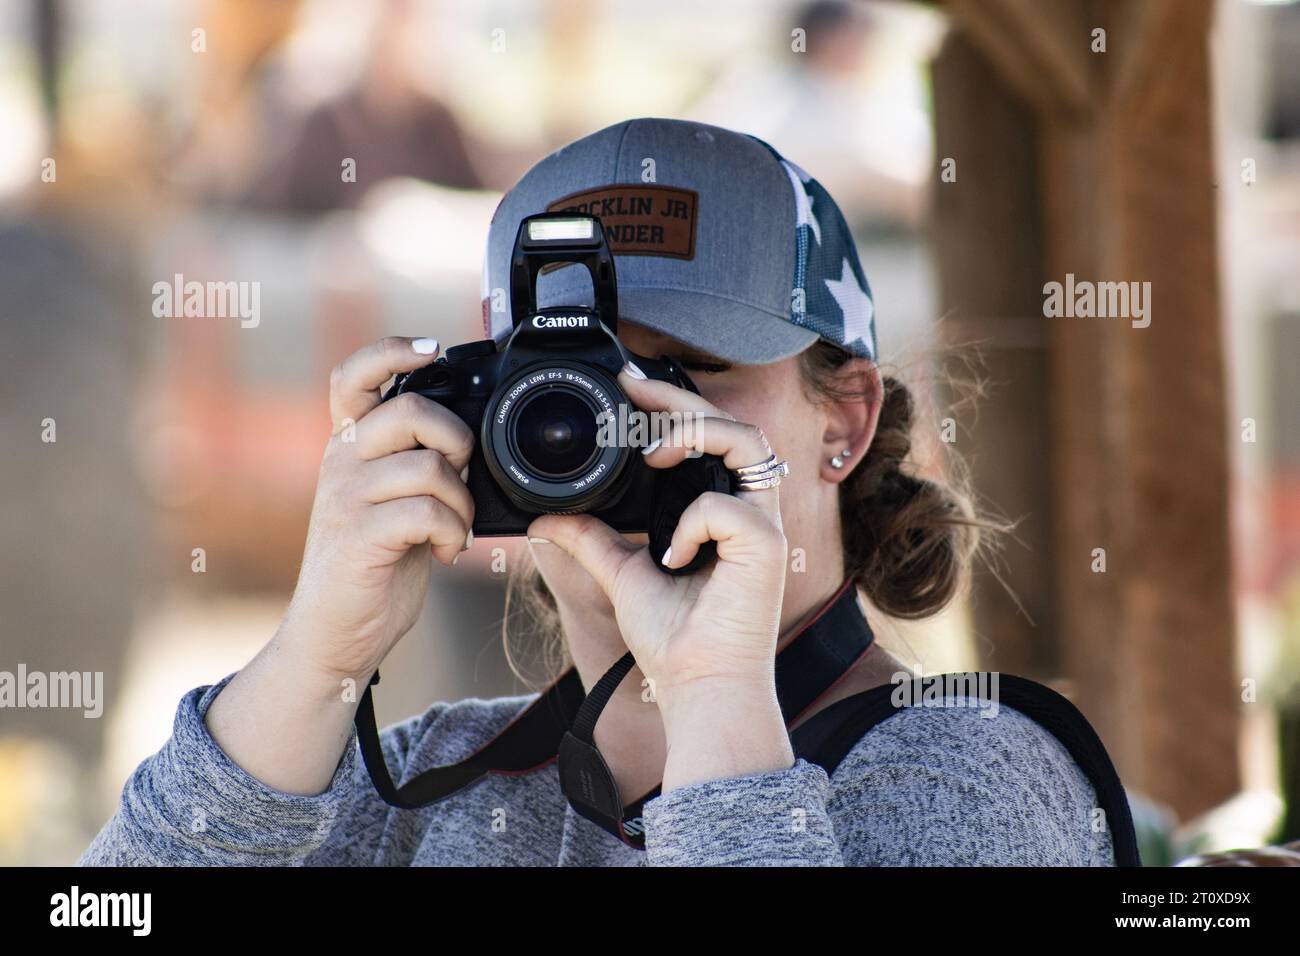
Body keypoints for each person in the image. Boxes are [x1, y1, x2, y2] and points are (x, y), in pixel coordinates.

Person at [80, 118, 1115, 866]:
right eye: (564, 386)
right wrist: (314, 658)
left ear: (841, 418)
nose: (617, 423)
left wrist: (716, 702)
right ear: (497, 411)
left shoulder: (971, 770)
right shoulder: (439, 778)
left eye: (687, 371)